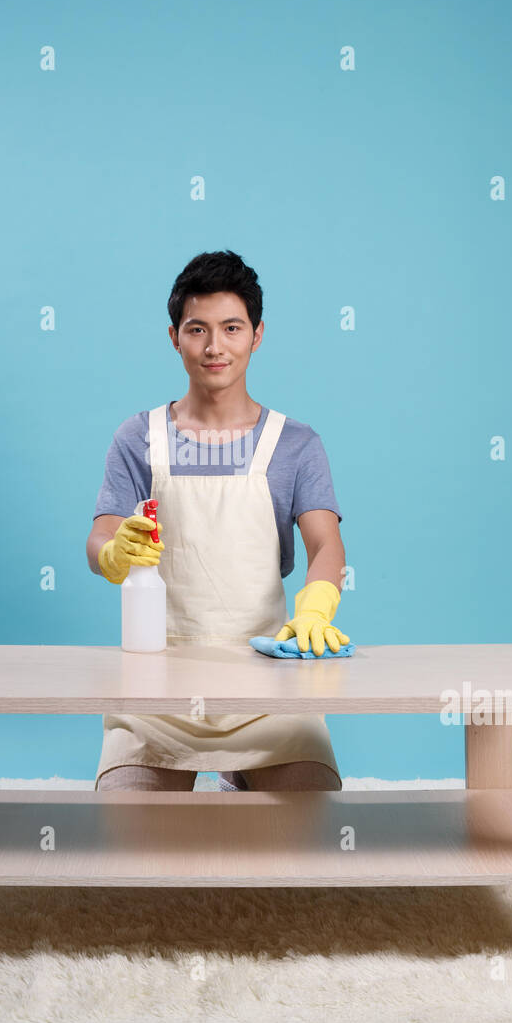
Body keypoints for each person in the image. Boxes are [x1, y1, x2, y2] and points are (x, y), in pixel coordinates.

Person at [86, 250, 349, 793]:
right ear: (173, 337)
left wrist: (318, 605)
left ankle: (242, 772)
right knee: (128, 839)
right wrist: (113, 554)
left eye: (231, 328)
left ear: (256, 335)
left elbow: (326, 545)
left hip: (267, 687)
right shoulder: (139, 438)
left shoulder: (296, 444)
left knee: (311, 823)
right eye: (196, 329)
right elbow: (100, 536)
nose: (214, 347)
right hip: (155, 684)